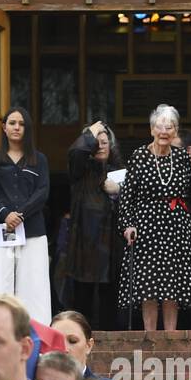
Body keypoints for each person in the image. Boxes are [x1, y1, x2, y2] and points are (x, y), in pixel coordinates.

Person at [117, 104, 191, 332]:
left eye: (170, 126)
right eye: (160, 126)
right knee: (149, 287)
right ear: (152, 129)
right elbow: (127, 196)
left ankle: (170, 339)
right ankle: (150, 338)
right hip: (147, 228)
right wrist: (127, 225)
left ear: (176, 131)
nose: (164, 131)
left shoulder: (182, 157)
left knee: (172, 287)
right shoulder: (139, 156)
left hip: (176, 228)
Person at [0, 106, 52, 322]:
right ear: (4, 127)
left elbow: (42, 192)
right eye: (12, 123)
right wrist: (6, 214)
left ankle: (38, 335)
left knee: (34, 282)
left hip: (32, 229)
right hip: (0, 229)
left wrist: (20, 214)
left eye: (21, 123)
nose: (16, 127)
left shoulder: (39, 159)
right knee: (0, 281)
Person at [58, 120, 123, 331]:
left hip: (112, 244)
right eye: (96, 142)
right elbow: (75, 152)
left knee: (109, 300)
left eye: (105, 142)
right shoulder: (81, 169)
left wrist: (118, 192)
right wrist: (92, 131)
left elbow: (134, 205)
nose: (102, 146)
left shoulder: (119, 171)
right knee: (82, 300)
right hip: (84, 244)